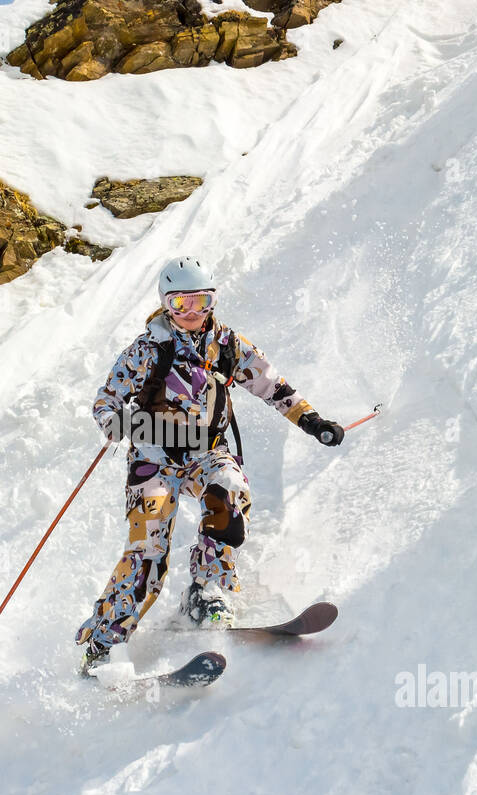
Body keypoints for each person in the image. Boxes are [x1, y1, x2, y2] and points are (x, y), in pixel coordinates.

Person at [75, 255, 345, 675]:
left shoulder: (227, 345)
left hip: (206, 450)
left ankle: (207, 591)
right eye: (182, 304)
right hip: (154, 458)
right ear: (167, 305)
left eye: (202, 300)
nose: (194, 312)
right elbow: (105, 401)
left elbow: (272, 384)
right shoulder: (147, 350)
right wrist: (116, 421)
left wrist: (310, 420)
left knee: (228, 496)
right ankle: (103, 644)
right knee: (148, 552)